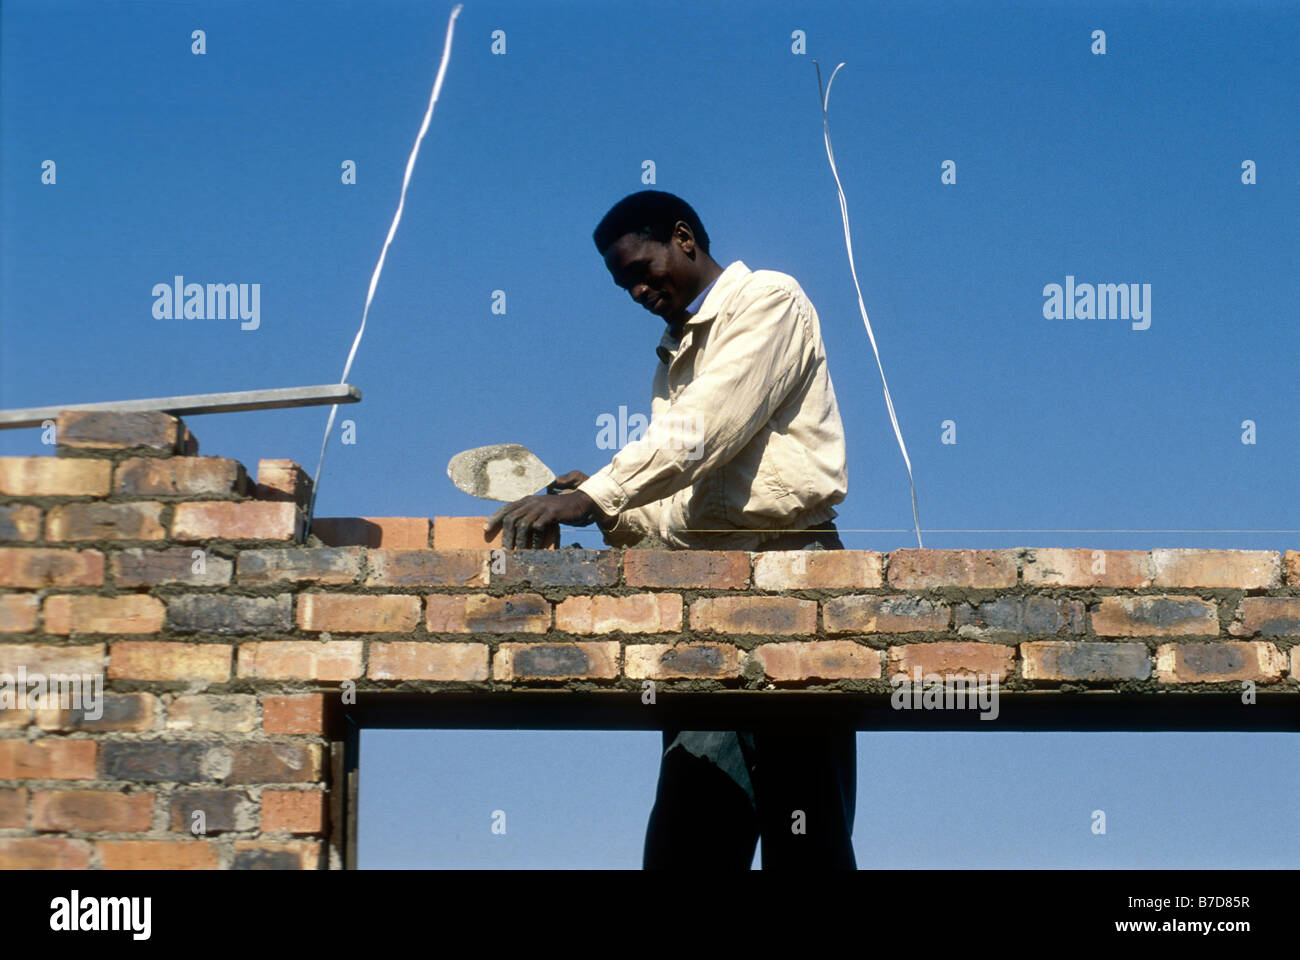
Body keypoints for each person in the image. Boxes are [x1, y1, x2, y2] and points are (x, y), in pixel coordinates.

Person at [484, 190, 856, 869]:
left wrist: (596, 496)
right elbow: (683, 508)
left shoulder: (768, 300)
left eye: (640, 266)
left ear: (684, 237)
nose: (634, 288)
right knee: (690, 841)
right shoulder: (674, 354)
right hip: (710, 608)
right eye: (621, 282)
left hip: (799, 595)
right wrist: (607, 506)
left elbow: (700, 434)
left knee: (808, 846)